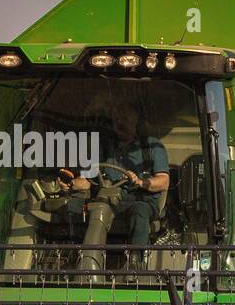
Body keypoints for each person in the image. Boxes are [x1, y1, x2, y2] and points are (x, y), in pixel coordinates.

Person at [69, 102, 169, 246]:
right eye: (117, 119)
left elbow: (163, 181)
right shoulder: (103, 146)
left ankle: (136, 262)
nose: (120, 122)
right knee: (72, 205)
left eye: (125, 118)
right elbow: (87, 180)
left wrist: (140, 182)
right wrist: (71, 184)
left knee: (139, 212)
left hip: (139, 199)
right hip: (106, 199)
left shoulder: (152, 146)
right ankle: (69, 254)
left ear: (136, 121)